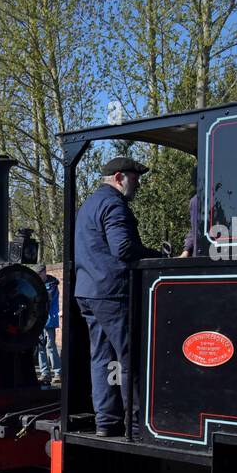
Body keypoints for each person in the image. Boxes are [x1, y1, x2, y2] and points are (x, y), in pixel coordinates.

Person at [73, 156, 163, 437]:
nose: (138, 185)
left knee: (101, 358)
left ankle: (107, 422)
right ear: (120, 177)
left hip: (88, 291)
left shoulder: (89, 204)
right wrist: (157, 256)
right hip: (112, 293)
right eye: (135, 179)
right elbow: (122, 248)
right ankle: (136, 425)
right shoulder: (113, 204)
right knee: (130, 356)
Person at [34, 264, 61, 386]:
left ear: (44, 272)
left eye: (39, 274)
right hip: (39, 320)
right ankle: (45, 373)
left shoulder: (52, 286)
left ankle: (58, 373)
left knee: (50, 346)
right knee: (40, 347)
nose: (38, 277)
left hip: (49, 320)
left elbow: (46, 299)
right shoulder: (38, 285)